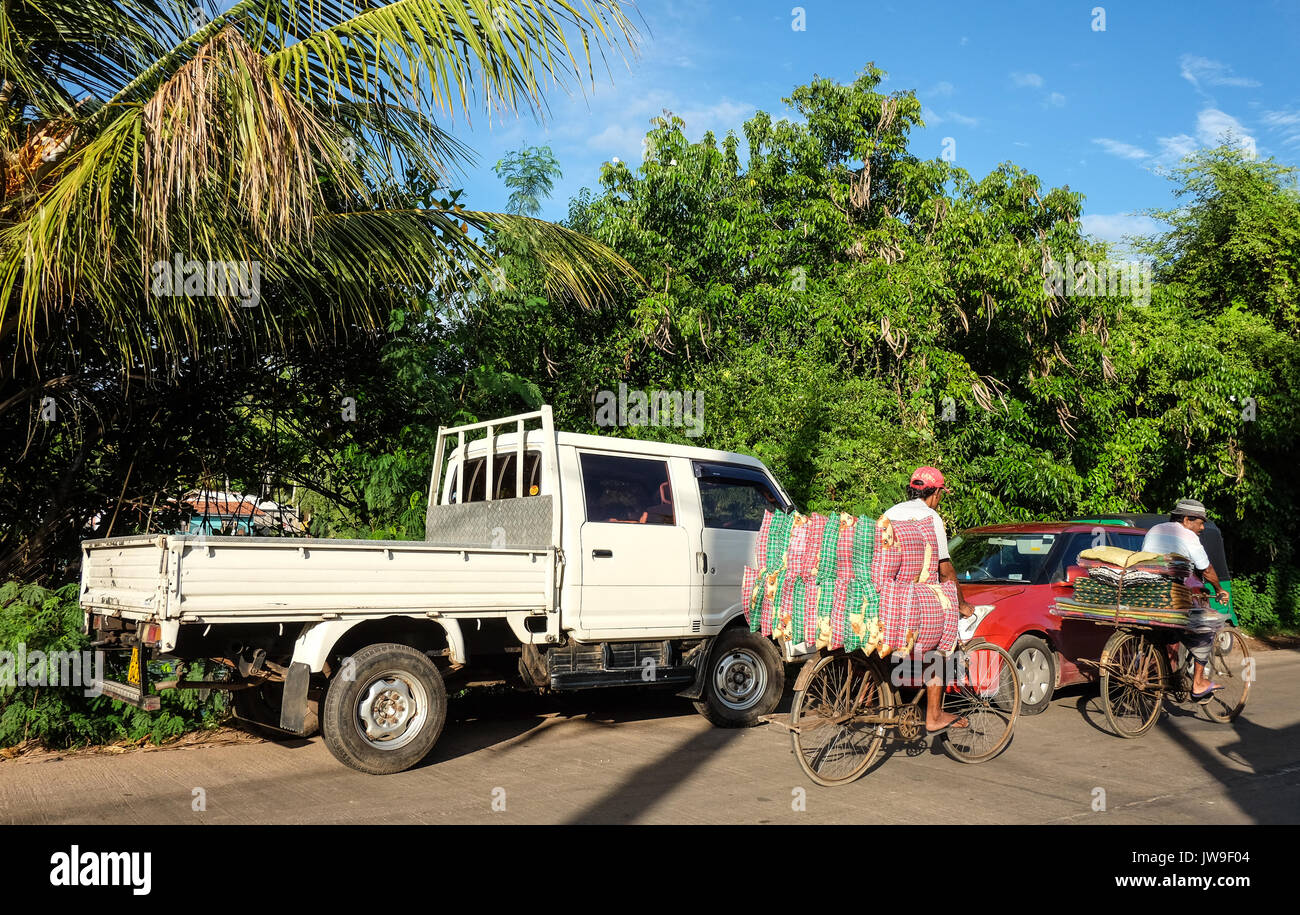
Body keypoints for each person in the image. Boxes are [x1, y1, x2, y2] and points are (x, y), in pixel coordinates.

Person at [883, 466, 974, 733]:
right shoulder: (930, 517)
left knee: (883, 649)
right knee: (940, 647)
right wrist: (960, 603)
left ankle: (872, 698)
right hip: (918, 602)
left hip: (889, 599)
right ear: (934, 494)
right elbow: (944, 569)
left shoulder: (891, 512)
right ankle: (933, 715)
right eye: (940, 495)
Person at [1140, 498, 1229, 700]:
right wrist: (1219, 589)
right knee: (1205, 630)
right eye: (1200, 522)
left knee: (1167, 633)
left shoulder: (1155, 529)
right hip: (1170, 599)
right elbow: (1205, 569)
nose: (1202, 527)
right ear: (1187, 519)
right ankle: (1198, 684)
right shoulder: (1187, 536)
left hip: (1145, 595)